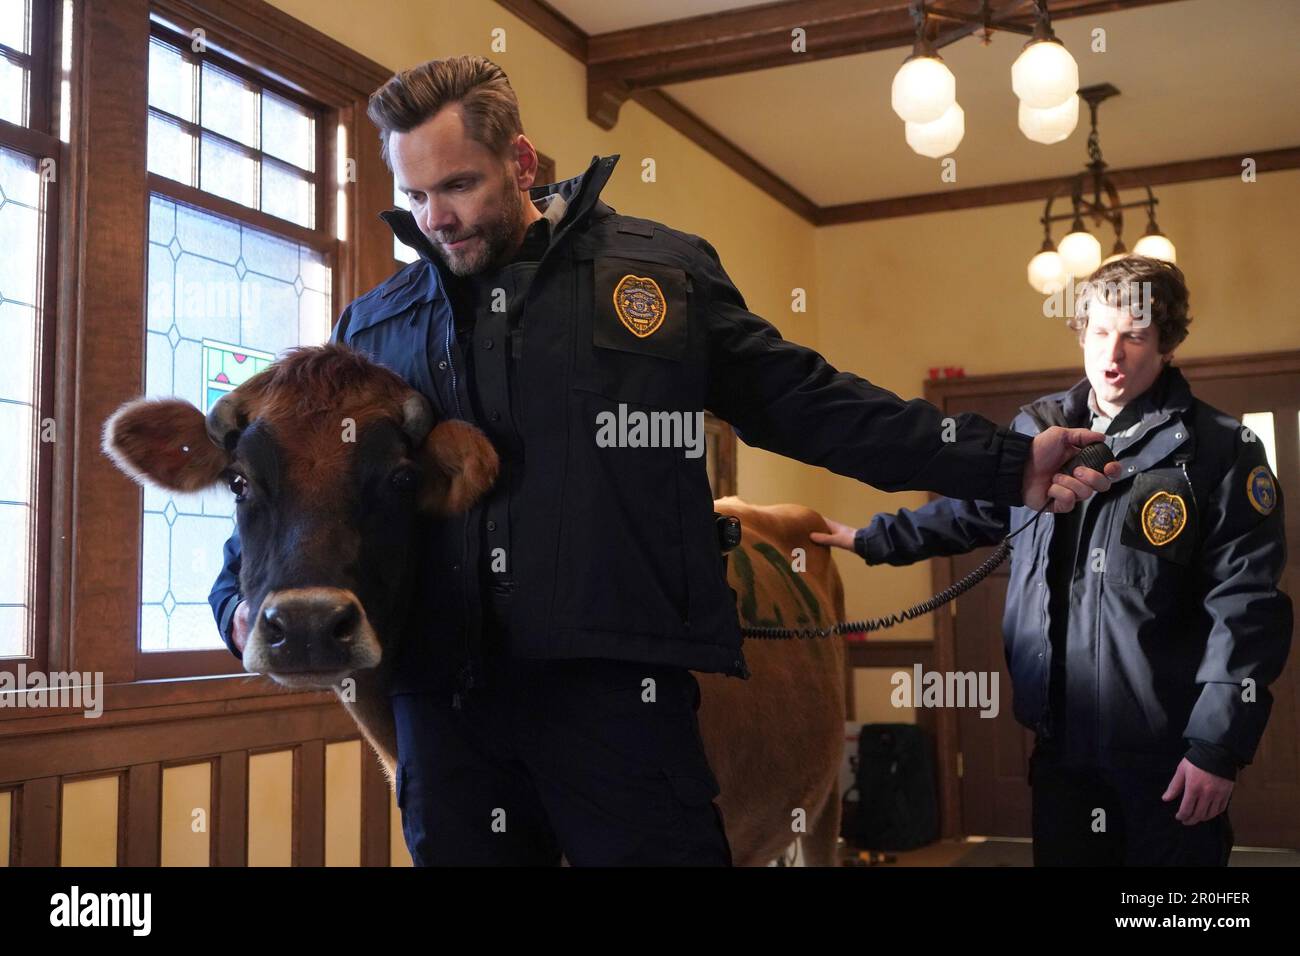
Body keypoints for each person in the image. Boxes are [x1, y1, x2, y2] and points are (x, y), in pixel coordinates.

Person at [209, 55, 1118, 866]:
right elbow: (302, 488)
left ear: (521, 164)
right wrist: (234, 604)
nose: (435, 219)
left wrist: (1006, 463)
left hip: (618, 699)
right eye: (414, 197)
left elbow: (810, 404)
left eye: (459, 185)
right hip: (446, 714)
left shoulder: (658, 277)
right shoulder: (375, 326)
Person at [814, 256, 1292, 866]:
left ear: (1167, 344)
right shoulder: (1039, 428)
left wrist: (1216, 748)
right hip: (1059, 743)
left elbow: (1247, 608)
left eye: (1135, 335)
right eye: (1098, 330)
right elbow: (973, 513)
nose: (1111, 352)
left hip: (1170, 755)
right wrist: (869, 539)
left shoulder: (1223, 449)